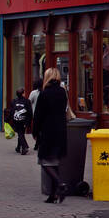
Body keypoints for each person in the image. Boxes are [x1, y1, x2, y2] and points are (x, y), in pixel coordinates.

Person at [31, 67, 69, 204]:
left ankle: (60, 184)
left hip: (48, 130)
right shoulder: (62, 92)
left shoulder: (45, 93)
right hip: (61, 130)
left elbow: (38, 115)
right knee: (55, 162)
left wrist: (35, 132)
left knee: (44, 161)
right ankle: (53, 195)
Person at [8, 89, 32, 155]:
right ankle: (23, 147)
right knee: (21, 133)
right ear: (23, 94)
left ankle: (21, 147)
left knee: (20, 133)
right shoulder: (27, 101)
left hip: (16, 120)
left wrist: (8, 119)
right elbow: (30, 112)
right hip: (24, 121)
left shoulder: (14, 101)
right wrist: (28, 122)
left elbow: (11, 112)